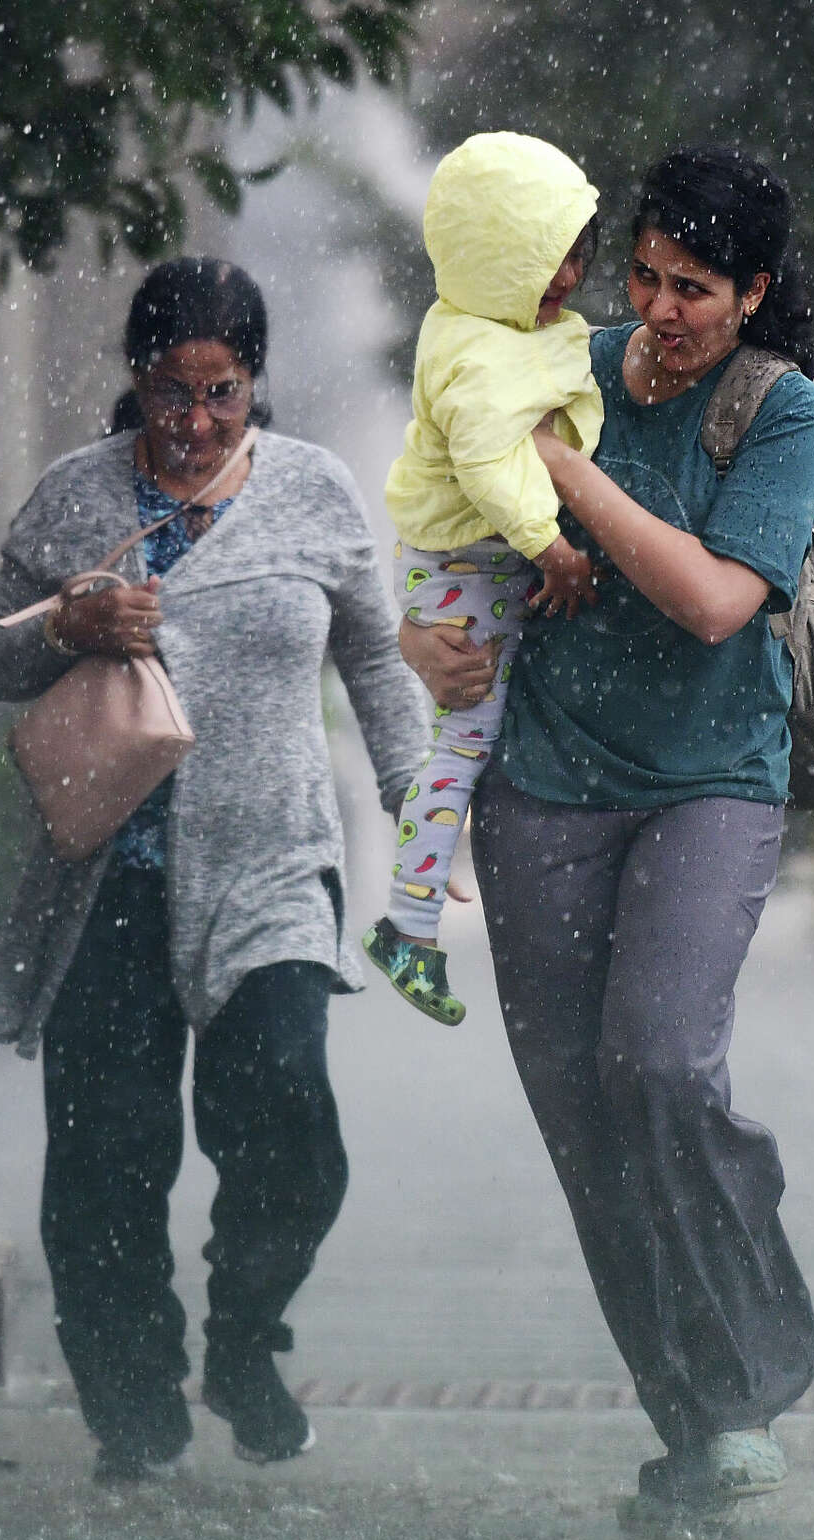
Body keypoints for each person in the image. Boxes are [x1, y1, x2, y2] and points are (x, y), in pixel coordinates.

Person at [398, 147, 814, 1520]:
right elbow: (455, 521)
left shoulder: (778, 410)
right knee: (584, 1117)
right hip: (546, 783)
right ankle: (696, 1418)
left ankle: (748, 1352)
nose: (657, 308)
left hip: (709, 779)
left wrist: (564, 476)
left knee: (657, 1058)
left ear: (752, 293)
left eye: (694, 286)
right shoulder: (558, 358)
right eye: (642, 274)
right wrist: (425, 638)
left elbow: (711, 600)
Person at [0, 258, 428, 1481]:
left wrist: (417, 797)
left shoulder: (317, 495)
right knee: (107, 1161)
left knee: (287, 1118)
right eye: (171, 391)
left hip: (272, 860)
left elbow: (376, 663)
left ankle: (243, 1336)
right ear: (137, 379)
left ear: (254, 383)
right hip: (106, 873)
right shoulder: (76, 497)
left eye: (221, 391)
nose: (194, 419)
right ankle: (135, 1408)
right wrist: (66, 624)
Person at [361, 131, 602, 1028]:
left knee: (460, 745)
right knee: (458, 749)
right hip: (466, 566)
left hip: (466, 568)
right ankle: (408, 925)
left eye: (575, 254)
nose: (569, 279)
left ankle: (410, 918)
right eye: (546, 260)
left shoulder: (495, 327)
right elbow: (491, 464)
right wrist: (556, 550)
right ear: (496, 259)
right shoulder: (475, 354)